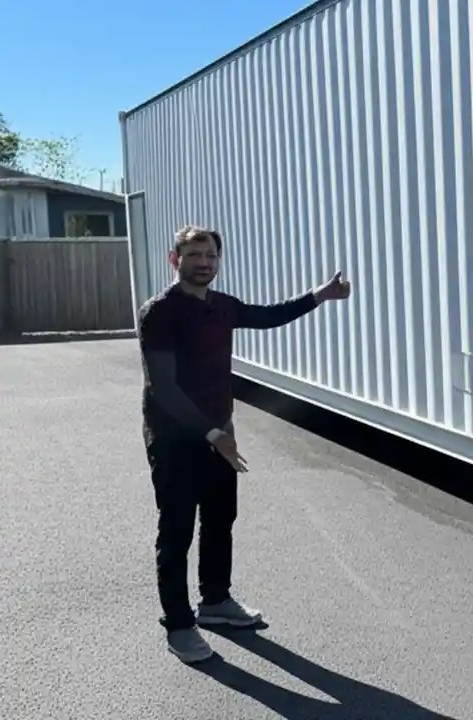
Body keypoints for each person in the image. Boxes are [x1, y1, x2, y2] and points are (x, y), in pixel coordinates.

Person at [137, 225, 351, 664]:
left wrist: (319, 296)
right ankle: (179, 625)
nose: (204, 262)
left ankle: (215, 602)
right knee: (176, 532)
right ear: (174, 260)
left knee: (220, 519)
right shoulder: (160, 312)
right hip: (176, 439)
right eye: (194, 254)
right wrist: (212, 433)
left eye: (211, 255)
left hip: (218, 432)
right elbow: (164, 387)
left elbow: (269, 316)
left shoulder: (221, 307)